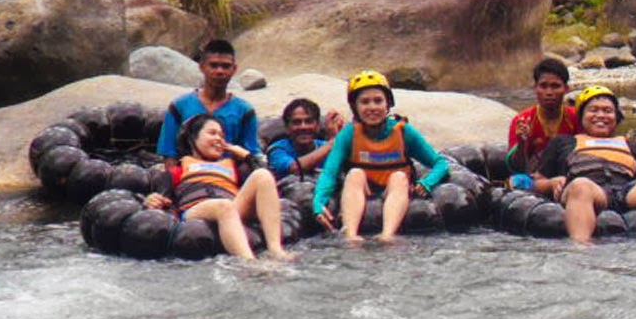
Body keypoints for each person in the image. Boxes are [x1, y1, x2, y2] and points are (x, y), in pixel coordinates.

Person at [526, 85, 636, 244]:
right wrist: (551, 183)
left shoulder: (628, 144)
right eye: (593, 110)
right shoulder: (564, 142)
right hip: (589, 188)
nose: (601, 116)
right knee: (581, 186)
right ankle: (580, 249)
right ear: (581, 116)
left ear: (616, 117)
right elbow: (537, 181)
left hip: (625, 189)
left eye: (607, 111)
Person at [312, 71, 451, 242]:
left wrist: (427, 182)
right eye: (364, 102)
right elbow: (329, 173)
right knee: (355, 174)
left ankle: (388, 235)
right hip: (362, 188)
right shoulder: (348, 134)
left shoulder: (404, 132)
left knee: (399, 177)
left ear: (388, 104)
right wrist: (319, 201)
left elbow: (440, 164)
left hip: (395, 189)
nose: (372, 108)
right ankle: (351, 236)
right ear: (355, 106)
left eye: (378, 101)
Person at [143, 113, 294, 262]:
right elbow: (163, 200)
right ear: (193, 138)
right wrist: (152, 200)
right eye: (212, 133)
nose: (218, 139)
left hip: (231, 209)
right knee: (223, 205)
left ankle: (275, 250)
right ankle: (249, 263)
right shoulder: (178, 169)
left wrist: (247, 156)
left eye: (221, 136)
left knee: (262, 175)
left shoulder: (234, 167)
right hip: (195, 211)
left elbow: (269, 184)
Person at [156, 39, 261, 159]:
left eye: (226, 66)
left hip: (228, 174)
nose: (219, 71)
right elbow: (169, 154)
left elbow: (251, 155)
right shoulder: (179, 106)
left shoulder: (245, 111)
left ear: (234, 69)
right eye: (213, 65)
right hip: (188, 172)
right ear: (201, 67)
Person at [507, 57, 579, 175]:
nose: (549, 92)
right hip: (534, 178)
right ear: (535, 88)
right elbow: (516, 168)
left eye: (555, 86)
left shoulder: (576, 117)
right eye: (543, 86)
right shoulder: (522, 121)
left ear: (566, 89)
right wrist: (521, 144)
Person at [267, 98, 345, 178]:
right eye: (296, 122)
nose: (303, 127)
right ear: (287, 127)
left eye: (309, 121)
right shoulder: (277, 150)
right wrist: (332, 143)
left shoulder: (325, 146)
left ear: (318, 125)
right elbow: (295, 168)